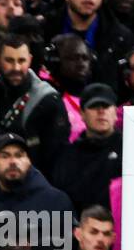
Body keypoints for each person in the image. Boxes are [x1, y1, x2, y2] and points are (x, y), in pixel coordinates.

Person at [0, 33, 71, 176]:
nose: (16, 67)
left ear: (30, 60)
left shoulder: (48, 100)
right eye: (9, 60)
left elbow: (56, 157)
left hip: (32, 185)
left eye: (21, 60)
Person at [50, 82, 122, 212]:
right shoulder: (67, 155)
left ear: (116, 112)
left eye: (106, 106)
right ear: (82, 114)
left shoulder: (130, 149)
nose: (101, 111)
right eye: (94, 106)